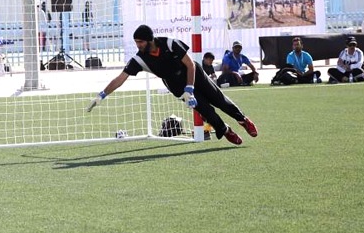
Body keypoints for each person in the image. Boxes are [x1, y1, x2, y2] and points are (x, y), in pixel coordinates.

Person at [86, 25, 257, 145]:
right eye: (136, 42)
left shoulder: (170, 43)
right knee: (206, 111)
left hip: (194, 75)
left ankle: (243, 120)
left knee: (219, 100)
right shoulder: (139, 59)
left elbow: (190, 64)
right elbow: (120, 78)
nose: (138, 45)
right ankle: (226, 131)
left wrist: (190, 88)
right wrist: (102, 95)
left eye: (140, 42)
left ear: (149, 39)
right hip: (176, 85)